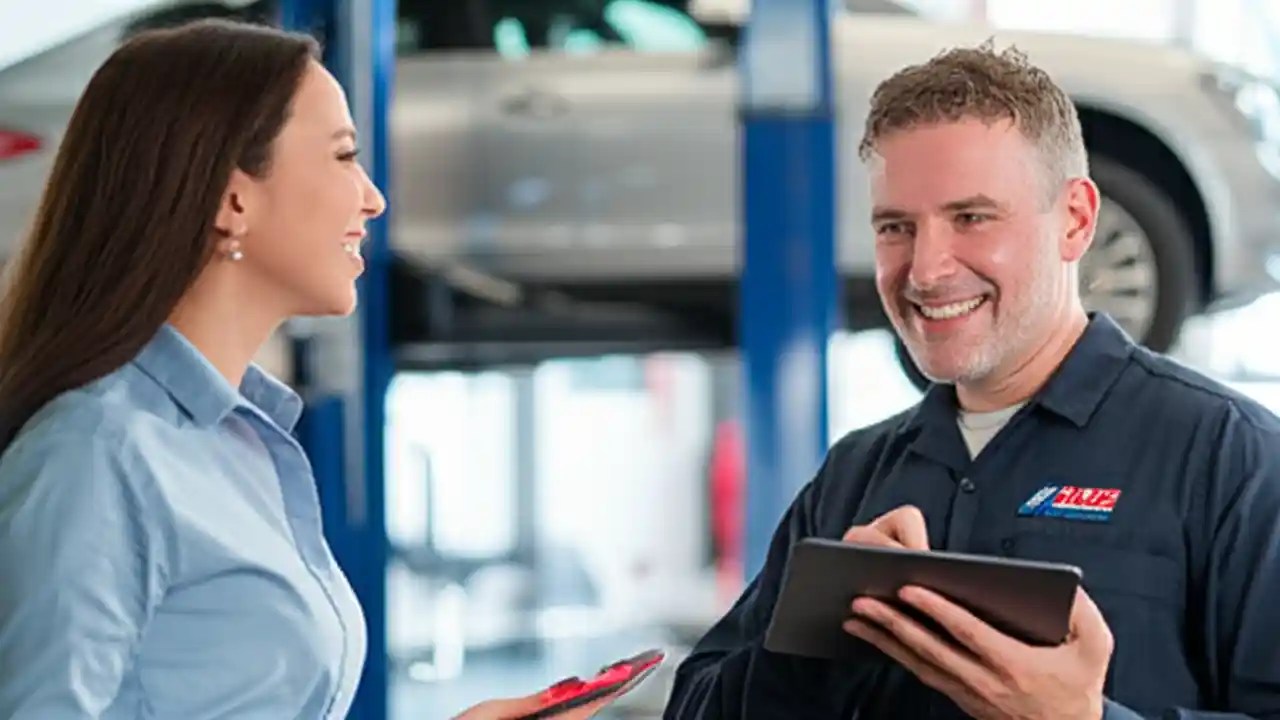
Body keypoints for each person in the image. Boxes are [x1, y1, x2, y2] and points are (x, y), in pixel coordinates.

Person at [0, 19, 621, 720]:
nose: (372, 197)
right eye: (344, 156)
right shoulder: (97, 451)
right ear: (232, 200)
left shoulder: (235, 443)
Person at [666, 42, 1280, 719]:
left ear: (1075, 219)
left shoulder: (1230, 456)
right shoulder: (856, 477)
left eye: (971, 218)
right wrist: (814, 639)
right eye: (897, 227)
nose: (925, 269)